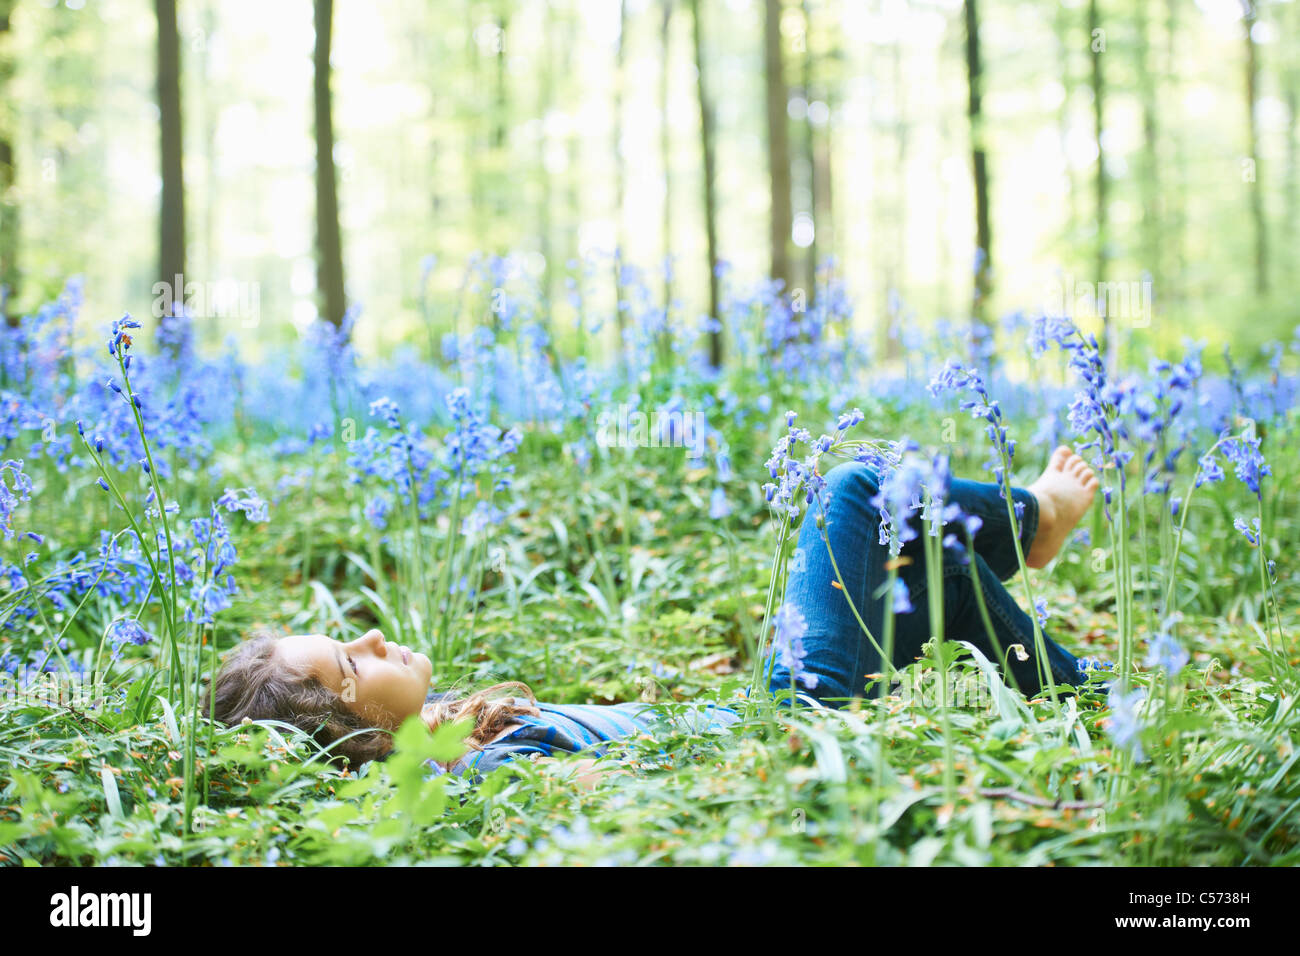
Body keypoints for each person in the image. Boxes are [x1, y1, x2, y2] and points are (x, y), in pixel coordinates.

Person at [203, 445, 1099, 784]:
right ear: (354, 738)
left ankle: (1074, 688)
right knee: (859, 487)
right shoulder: (451, 777)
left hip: (777, 705)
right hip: (794, 714)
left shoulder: (462, 734)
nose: (367, 637)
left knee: (919, 554)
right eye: (349, 670)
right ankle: (1033, 521)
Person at [766, 445, 1100, 702]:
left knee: (947, 571)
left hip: (787, 699)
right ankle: (1031, 519)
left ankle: (1093, 687)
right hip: (800, 708)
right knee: (858, 486)